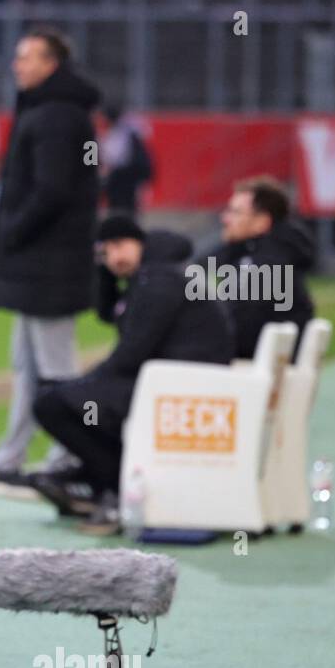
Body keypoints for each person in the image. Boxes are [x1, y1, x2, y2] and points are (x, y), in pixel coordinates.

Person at [30, 216, 234, 535]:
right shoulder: (155, 274)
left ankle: (109, 483)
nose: (115, 257)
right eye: (106, 252)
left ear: (141, 243)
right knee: (63, 397)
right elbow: (112, 318)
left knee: (52, 404)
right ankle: (91, 480)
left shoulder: (158, 281)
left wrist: (80, 385)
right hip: (175, 380)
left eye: (121, 246)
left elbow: (131, 353)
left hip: (179, 387)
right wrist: (104, 274)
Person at [0, 26, 101, 495]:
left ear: (52, 65)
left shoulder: (58, 117)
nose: (16, 65)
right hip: (43, 263)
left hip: (50, 264)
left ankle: (70, 456)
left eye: (27, 57)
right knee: (27, 364)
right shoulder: (52, 112)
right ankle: (11, 459)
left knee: (56, 365)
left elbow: (52, 191)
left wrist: (13, 231)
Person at [206, 176, 316, 359]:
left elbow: (240, 330)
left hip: (253, 372)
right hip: (264, 366)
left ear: (261, 222)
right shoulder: (265, 255)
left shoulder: (267, 267)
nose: (225, 218)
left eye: (236, 212)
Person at [99, 105, 154, 217]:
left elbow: (121, 160)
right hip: (120, 182)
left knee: (125, 210)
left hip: (126, 182)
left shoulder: (123, 135)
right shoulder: (123, 133)